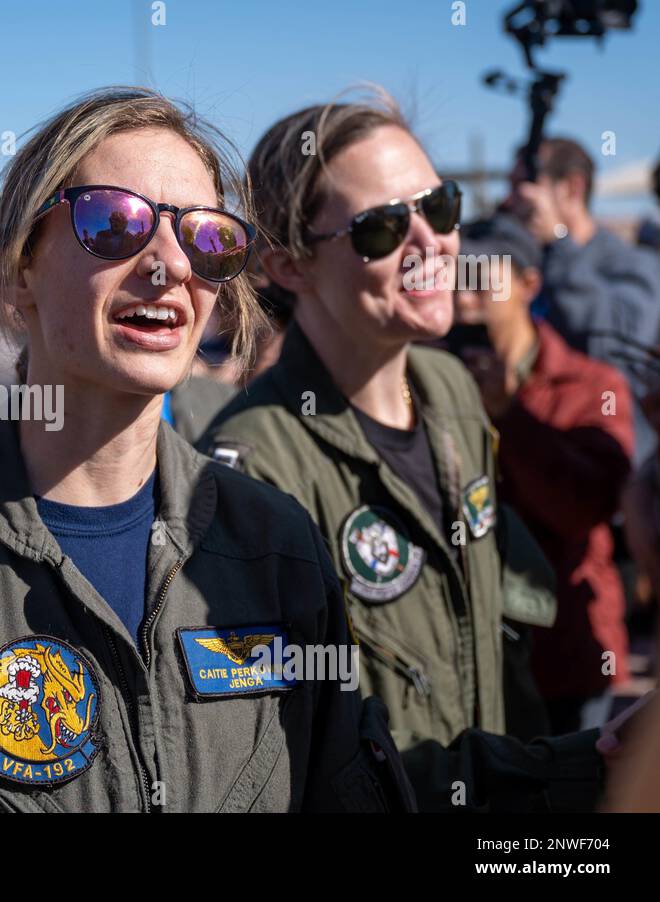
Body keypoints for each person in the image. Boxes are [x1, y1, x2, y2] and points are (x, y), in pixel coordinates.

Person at [0, 87, 411, 813]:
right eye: (113, 223)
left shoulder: (278, 550)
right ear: (14, 274)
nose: (167, 264)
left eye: (204, 235)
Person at [199, 93, 627, 811]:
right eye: (383, 227)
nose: (432, 243)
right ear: (289, 266)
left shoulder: (452, 387)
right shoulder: (250, 470)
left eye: (442, 206)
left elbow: (501, 640)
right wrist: (581, 769)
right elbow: (296, 758)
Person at [450, 214, 634, 735]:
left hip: (566, 660)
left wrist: (509, 416)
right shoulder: (424, 377)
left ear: (530, 284)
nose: (467, 297)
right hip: (466, 658)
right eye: (457, 277)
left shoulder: (591, 383)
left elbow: (583, 509)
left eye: (483, 278)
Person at [504, 136, 660, 463]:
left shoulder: (633, 264)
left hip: (612, 478)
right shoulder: (524, 267)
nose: (514, 198)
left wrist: (559, 242)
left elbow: (613, 344)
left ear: (573, 188)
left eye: (526, 184)